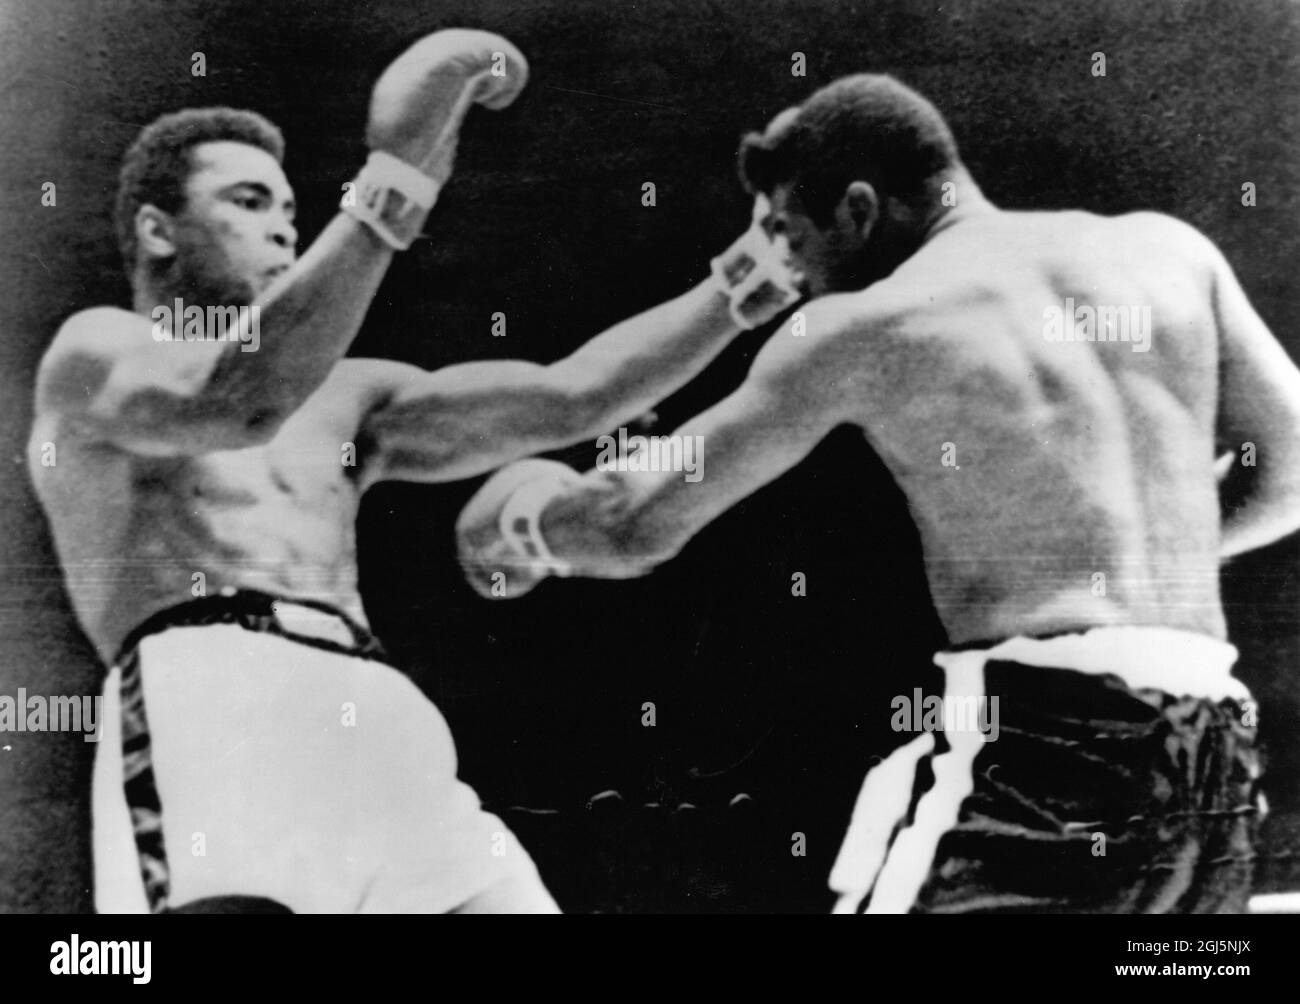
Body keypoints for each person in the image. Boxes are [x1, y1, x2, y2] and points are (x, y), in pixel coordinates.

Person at [457, 73, 1300, 913]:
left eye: (792, 238)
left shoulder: (870, 326)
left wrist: (521, 519)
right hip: (1216, 751)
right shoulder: (1171, 253)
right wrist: (1132, 570)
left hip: (1046, 748)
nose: (795, 276)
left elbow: (632, 523)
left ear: (859, 211)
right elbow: (1292, 473)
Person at [27, 28, 801, 913]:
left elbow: (572, 397)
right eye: (248, 201)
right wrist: (392, 187)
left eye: (290, 206)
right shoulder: (96, 355)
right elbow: (241, 400)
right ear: (158, 231)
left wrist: (751, 279)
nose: (285, 225)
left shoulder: (351, 396)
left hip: (377, 708)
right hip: (215, 701)